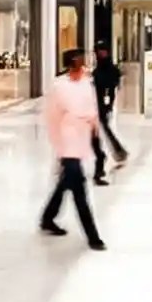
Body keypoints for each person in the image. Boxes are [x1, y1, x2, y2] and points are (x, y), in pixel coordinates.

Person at [40, 48, 107, 251]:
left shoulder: (87, 83)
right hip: (67, 141)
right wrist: (58, 145)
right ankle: (93, 236)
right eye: (79, 62)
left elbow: (92, 107)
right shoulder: (60, 86)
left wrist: (94, 129)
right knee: (79, 188)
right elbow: (52, 117)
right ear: (70, 64)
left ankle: (47, 218)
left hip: (81, 138)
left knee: (66, 183)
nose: (83, 65)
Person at [91, 44, 128, 185]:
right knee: (102, 128)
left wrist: (108, 104)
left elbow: (111, 88)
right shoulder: (99, 70)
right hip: (97, 104)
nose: (100, 54)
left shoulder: (109, 70)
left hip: (102, 104)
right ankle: (117, 151)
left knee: (103, 127)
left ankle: (116, 152)